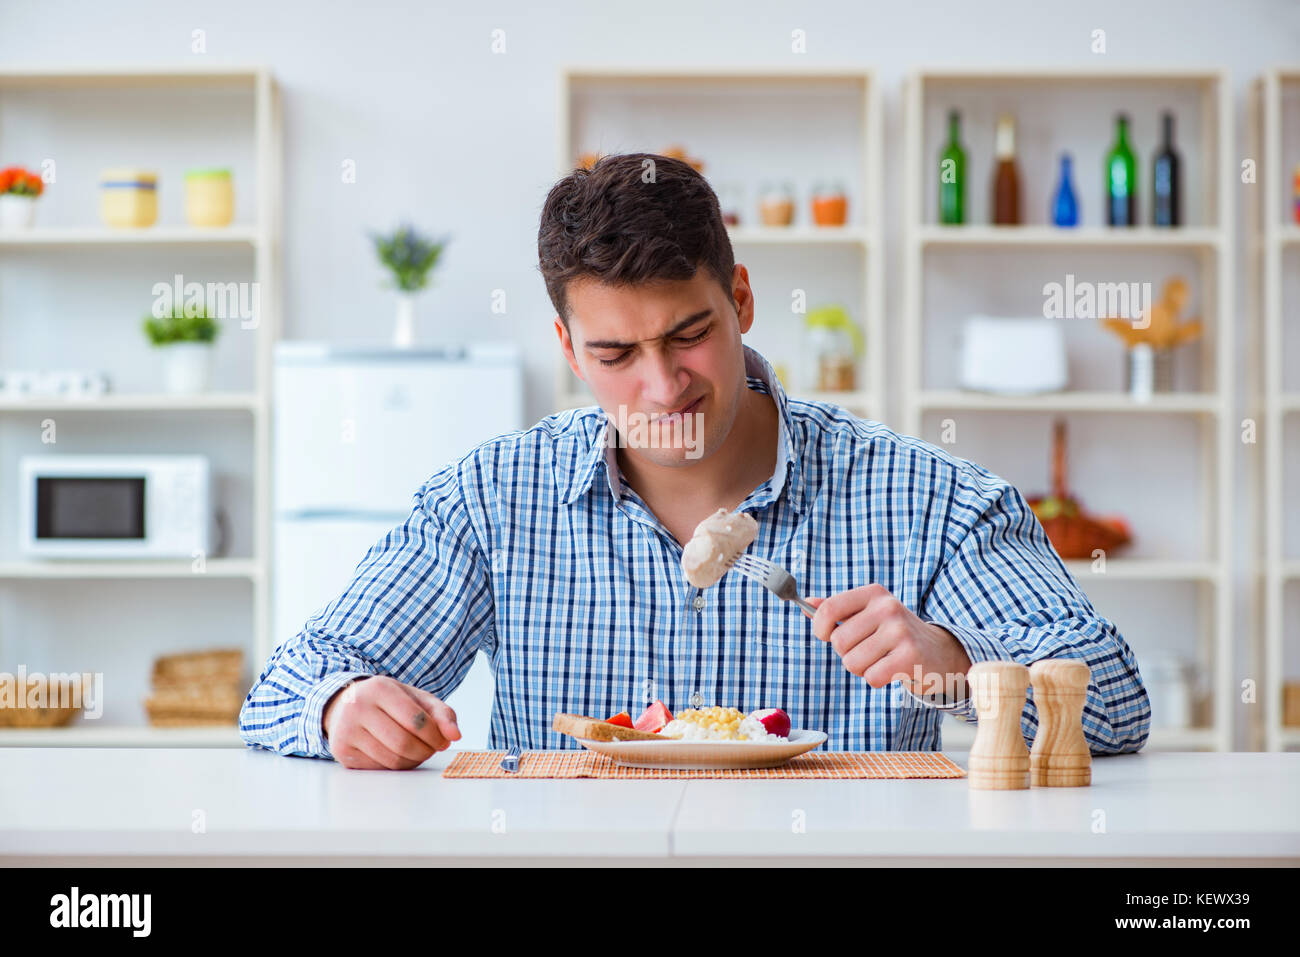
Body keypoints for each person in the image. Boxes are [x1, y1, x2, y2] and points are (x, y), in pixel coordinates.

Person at [239, 153, 1150, 769]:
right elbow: (284, 682)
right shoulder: (491, 501)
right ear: (566, 346)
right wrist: (343, 705)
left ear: (741, 299)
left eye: (689, 335)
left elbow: (1114, 709)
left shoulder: (931, 499)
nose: (662, 386)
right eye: (614, 355)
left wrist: (957, 664)